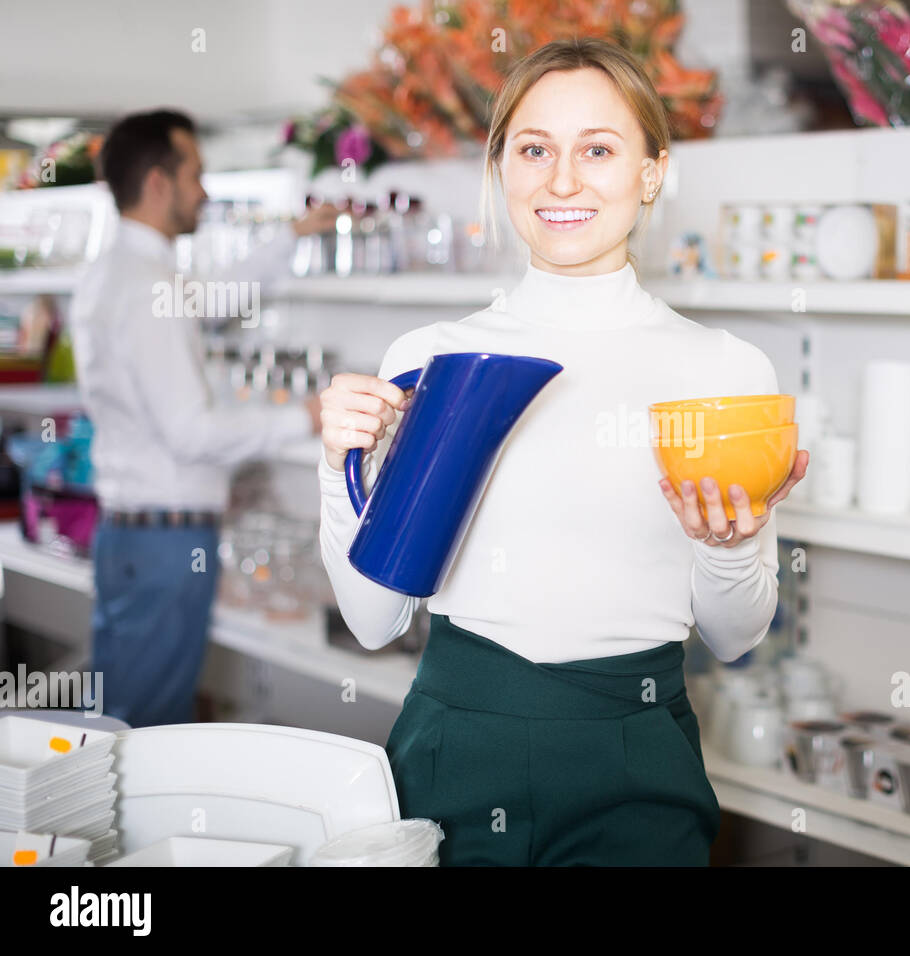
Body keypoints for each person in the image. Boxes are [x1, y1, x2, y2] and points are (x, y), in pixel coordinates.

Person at [318, 39, 810, 866]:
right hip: (453, 742)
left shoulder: (725, 373)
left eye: (599, 150)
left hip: (637, 751)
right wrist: (338, 469)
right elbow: (374, 622)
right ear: (500, 166)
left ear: (651, 173)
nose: (563, 180)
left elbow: (735, 635)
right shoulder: (429, 361)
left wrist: (724, 547)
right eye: (535, 149)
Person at [69, 109, 337, 728]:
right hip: (165, 543)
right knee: (144, 732)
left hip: (135, 537)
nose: (205, 191)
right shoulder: (144, 288)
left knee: (118, 723)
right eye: (196, 174)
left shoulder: (122, 274)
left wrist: (292, 236)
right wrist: (306, 415)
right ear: (160, 182)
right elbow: (192, 431)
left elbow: (212, 300)